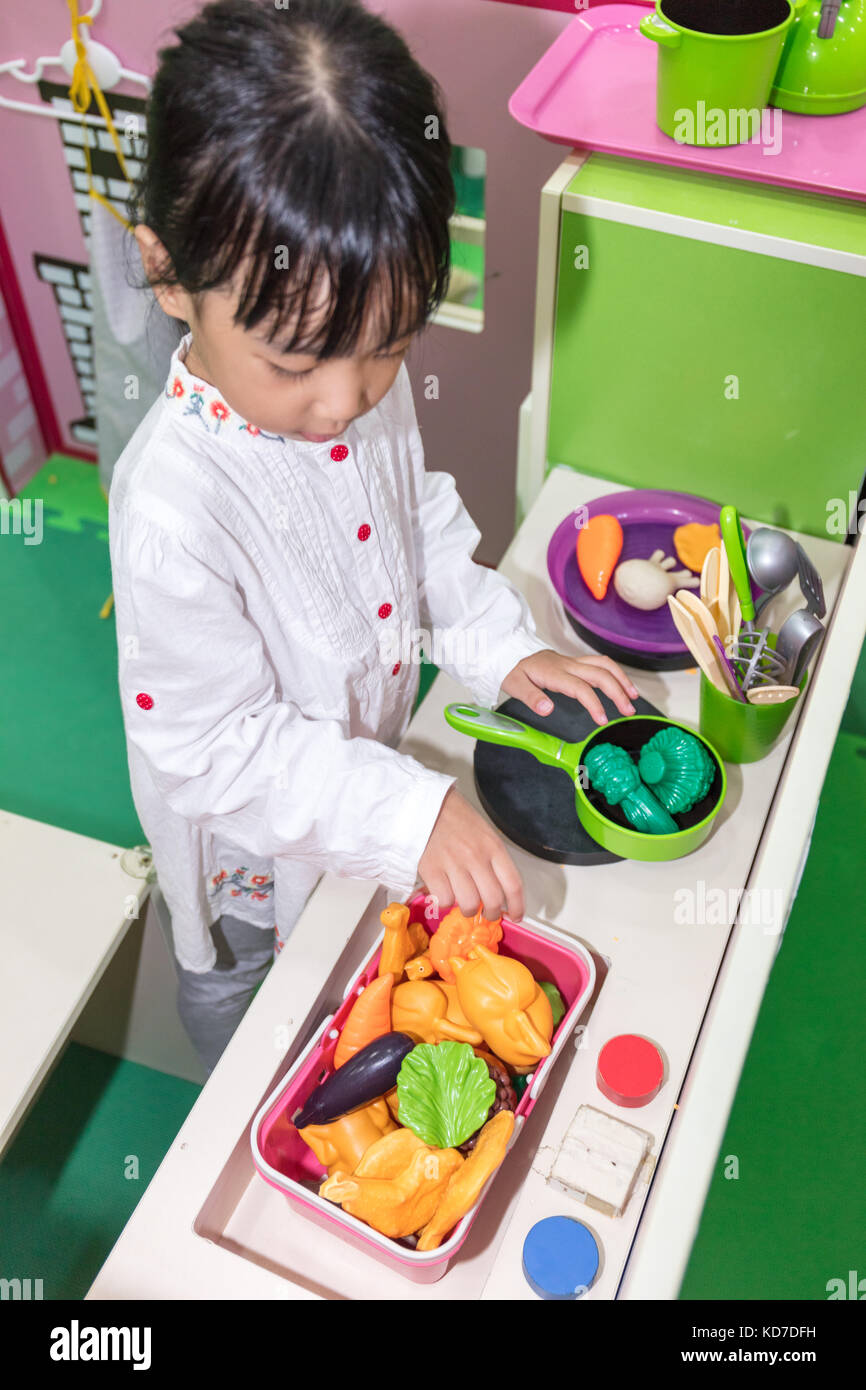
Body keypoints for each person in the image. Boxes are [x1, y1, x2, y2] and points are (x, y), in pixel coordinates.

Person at [109, 0, 639, 1073]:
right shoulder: (173, 506)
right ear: (167, 273)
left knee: (354, 967)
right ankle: (229, 1074)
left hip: (360, 781)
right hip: (246, 853)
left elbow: (416, 522)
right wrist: (406, 811)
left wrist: (499, 643)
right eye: (296, 363)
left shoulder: (344, 367)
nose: (346, 397)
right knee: (254, 1010)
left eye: (389, 344)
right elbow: (214, 749)